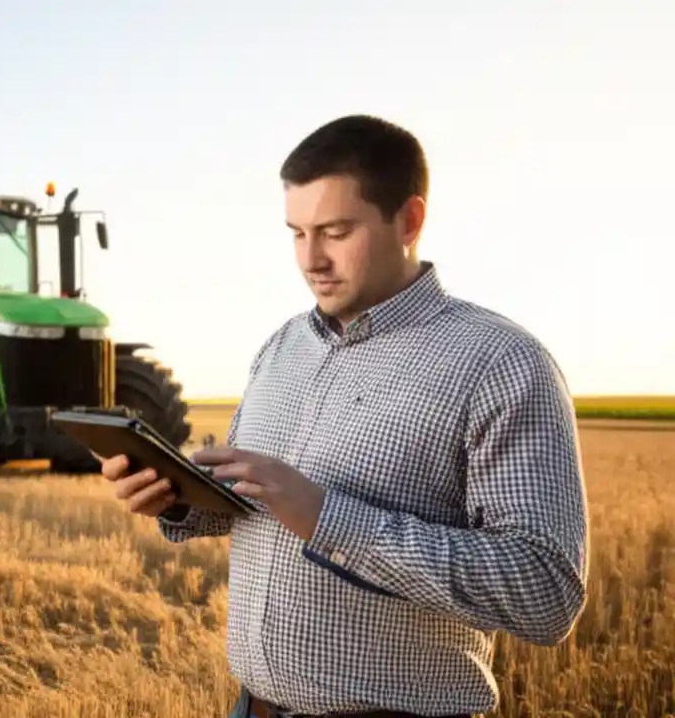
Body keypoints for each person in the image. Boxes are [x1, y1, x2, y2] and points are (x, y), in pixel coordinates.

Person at [100, 115, 589, 718]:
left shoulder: (501, 363)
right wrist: (176, 497)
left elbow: (545, 592)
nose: (311, 259)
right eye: (297, 232)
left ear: (409, 221)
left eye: (335, 231)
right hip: (251, 708)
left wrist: (328, 517)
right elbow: (257, 502)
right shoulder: (281, 347)